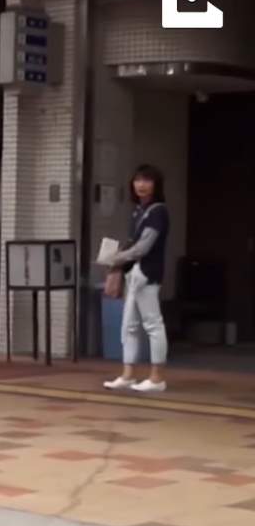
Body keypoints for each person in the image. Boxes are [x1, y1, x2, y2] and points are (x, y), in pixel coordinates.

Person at [102, 164, 170, 392]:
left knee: (152, 324)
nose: (141, 185)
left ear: (156, 185)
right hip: (134, 273)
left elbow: (144, 247)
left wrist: (116, 257)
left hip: (147, 273)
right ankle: (128, 374)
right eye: (138, 180)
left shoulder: (158, 211)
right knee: (129, 325)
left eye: (147, 180)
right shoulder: (138, 211)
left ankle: (157, 377)